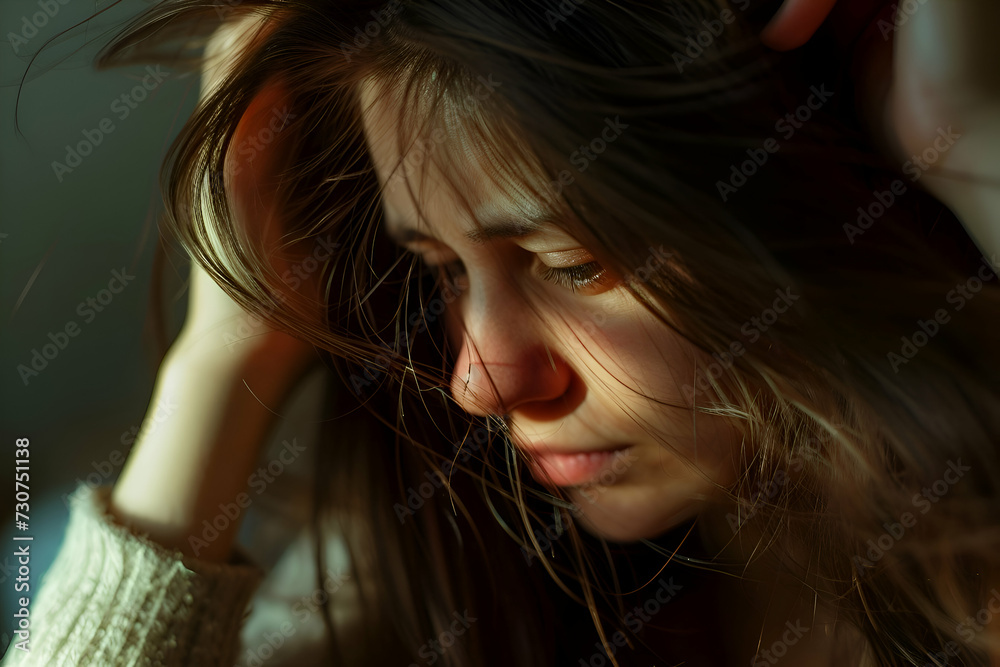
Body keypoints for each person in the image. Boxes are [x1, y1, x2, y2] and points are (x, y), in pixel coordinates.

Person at [5, 0, 999, 665]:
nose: (477, 380)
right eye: (441, 270)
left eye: (574, 263)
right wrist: (225, 355)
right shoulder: (411, 585)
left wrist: (973, 144)